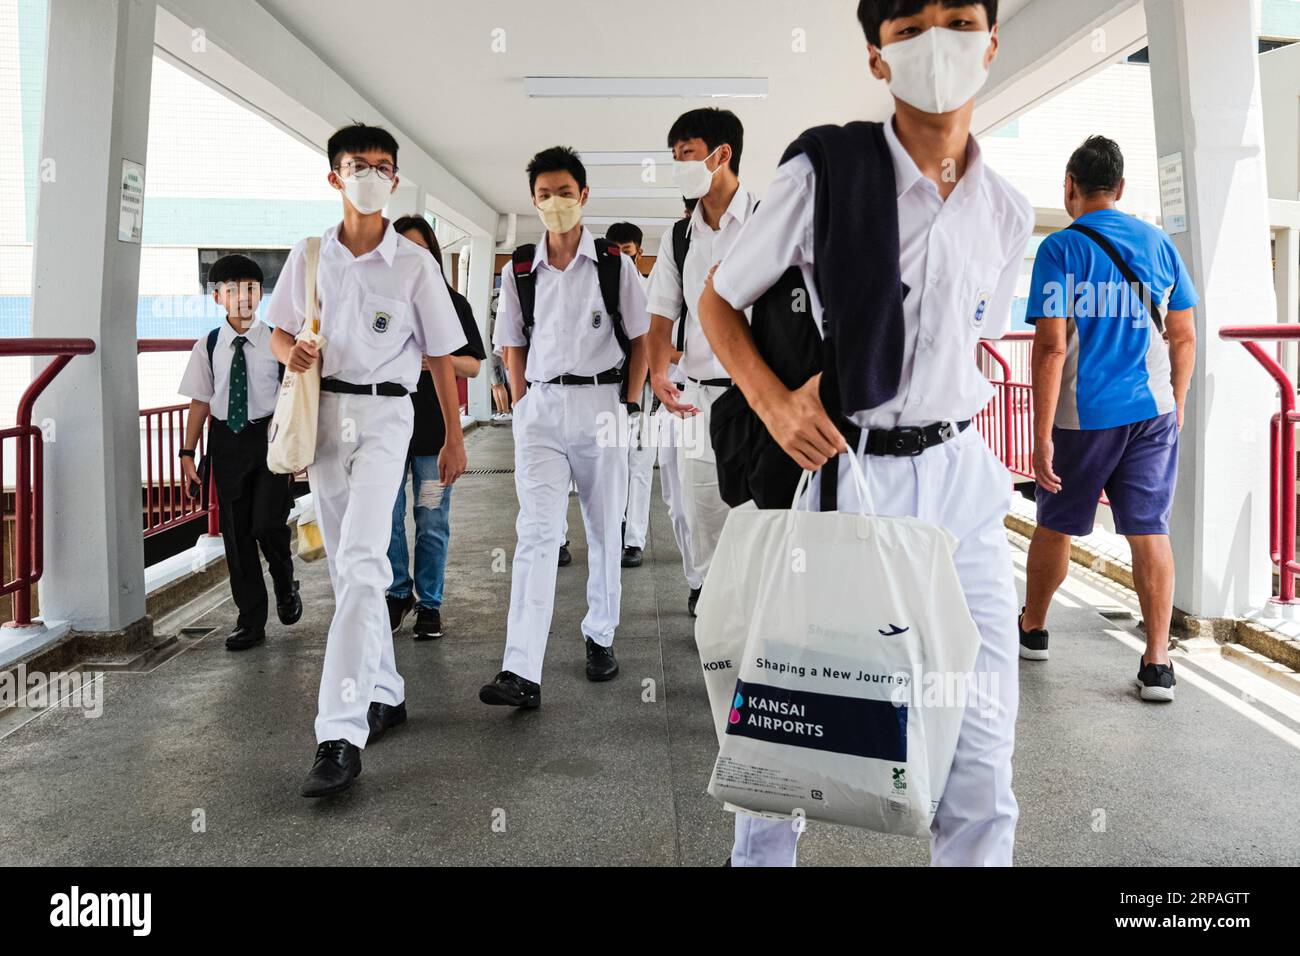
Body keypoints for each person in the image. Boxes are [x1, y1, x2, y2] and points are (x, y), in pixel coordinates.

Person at [698, 0, 1033, 866]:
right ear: (879, 60)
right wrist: (775, 404)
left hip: (962, 479)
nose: (938, 42)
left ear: (991, 43)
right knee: (792, 727)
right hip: (851, 474)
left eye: (958, 18)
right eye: (908, 27)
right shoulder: (828, 171)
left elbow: (971, 338)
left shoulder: (1005, 209)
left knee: (981, 747)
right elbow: (718, 300)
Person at [266, 123, 469, 798]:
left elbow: (441, 353)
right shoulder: (309, 254)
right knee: (354, 570)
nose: (371, 176)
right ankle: (386, 687)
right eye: (359, 165)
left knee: (358, 563)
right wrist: (288, 353)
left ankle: (339, 732)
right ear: (335, 176)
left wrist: (454, 437)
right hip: (326, 418)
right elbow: (278, 330)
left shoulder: (413, 263)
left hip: (388, 416)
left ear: (395, 179)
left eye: (384, 167)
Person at [1019, 135, 1198, 702]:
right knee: (1149, 529)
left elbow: (1049, 349)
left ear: (1069, 186)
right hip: (1152, 412)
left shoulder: (1060, 249)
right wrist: (1179, 403)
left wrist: (1041, 434)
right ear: (1120, 189)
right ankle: (1157, 662)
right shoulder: (1159, 243)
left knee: (1057, 522)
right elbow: (1184, 335)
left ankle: (1035, 628)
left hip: (1082, 417)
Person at [479, 146, 649, 710]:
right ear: (533, 200)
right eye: (544, 195)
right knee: (536, 535)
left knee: (603, 529)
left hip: (602, 402)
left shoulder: (613, 264)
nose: (555, 203)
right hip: (543, 412)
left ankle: (600, 635)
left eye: (565, 193)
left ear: (584, 196)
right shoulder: (520, 269)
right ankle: (520, 668)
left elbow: (643, 337)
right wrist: (524, 402)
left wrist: (627, 403)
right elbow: (511, 343)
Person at [646, 107, 756, 616]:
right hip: (698, 394)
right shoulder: (679, 236)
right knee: (699, 508)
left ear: (721, 154)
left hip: (759, 396)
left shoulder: (766, 223)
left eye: (686, 154)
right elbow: (662, 312)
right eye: (674, 158)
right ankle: (711, 603)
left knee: (758, 513)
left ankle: (757, 613)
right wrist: (657, 373)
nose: (679, 166)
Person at [178, 254, 301, 652]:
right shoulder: (209, 345)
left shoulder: (278, 342)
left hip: (268, 440)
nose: (242, 296)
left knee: (267, 524)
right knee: (236, 536)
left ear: (259, 294)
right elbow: (200, 401)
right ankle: (250, 620)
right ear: (218, 297)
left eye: (249, 287)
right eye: (232, 289)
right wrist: (187, 452)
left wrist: (299, 446)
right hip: (226, 444)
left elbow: (296, 393)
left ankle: (285, 582)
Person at [384, 215, 486, 641]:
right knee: (386, 522)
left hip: (432, 436)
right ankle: (396, 591)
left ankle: (429, 602)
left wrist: (435, 361)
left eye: (420, 249)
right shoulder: (382, 301)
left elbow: (474, 365)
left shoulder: (452, 303)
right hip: (385, 434)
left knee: (430, 518)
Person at [606, 221, 653, 568]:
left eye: (628, 252)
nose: (622, 258)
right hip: (605, 388)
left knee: (638, 465)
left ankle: (634, 539)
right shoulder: (599, 289)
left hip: (643, 390)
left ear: (639, 252)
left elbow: (654, 343)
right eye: (616, 251)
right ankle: (613, 527)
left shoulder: (652, 289)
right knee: (609, 465)